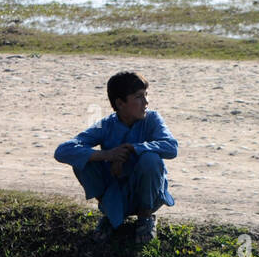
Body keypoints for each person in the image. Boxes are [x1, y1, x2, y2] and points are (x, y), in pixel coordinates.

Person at [54, 71, 177, 245]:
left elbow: (171, 148)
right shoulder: (106, 124)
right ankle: (110, 215)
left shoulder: (152, 119)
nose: (146, 102)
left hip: (148, 195)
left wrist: (134, 148)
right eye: (139, 97)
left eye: (146, 95)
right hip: (116, 194)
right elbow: (62, 151)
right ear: (120, 103)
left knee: (151, 159)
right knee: (81, 161)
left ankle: (145, 218)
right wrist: (107, 155)